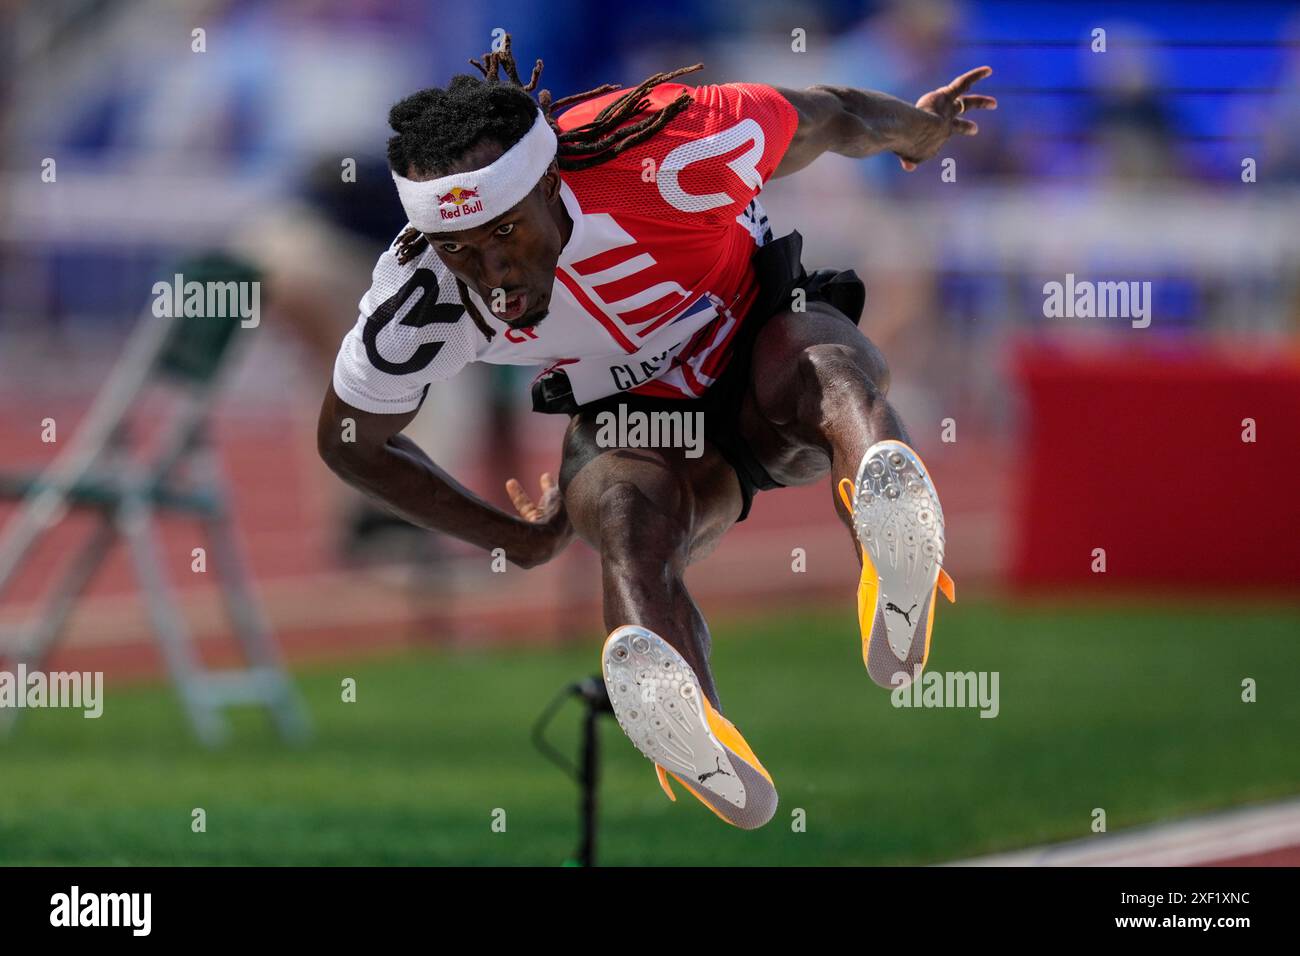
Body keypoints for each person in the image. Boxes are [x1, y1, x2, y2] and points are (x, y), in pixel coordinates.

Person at [318, 35, 990, 829]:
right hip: (637, 413)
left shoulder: (669, 145)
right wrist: (519, 538)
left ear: (550, 182)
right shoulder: (423, 299)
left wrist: (917, 131)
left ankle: (885, 516)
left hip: (755, 337)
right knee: (622, 519)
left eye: (507, 234)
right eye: (458, 249)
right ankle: (693, 719)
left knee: (824, 370)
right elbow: (348, 442)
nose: (491, 274)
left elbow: (832, 115)